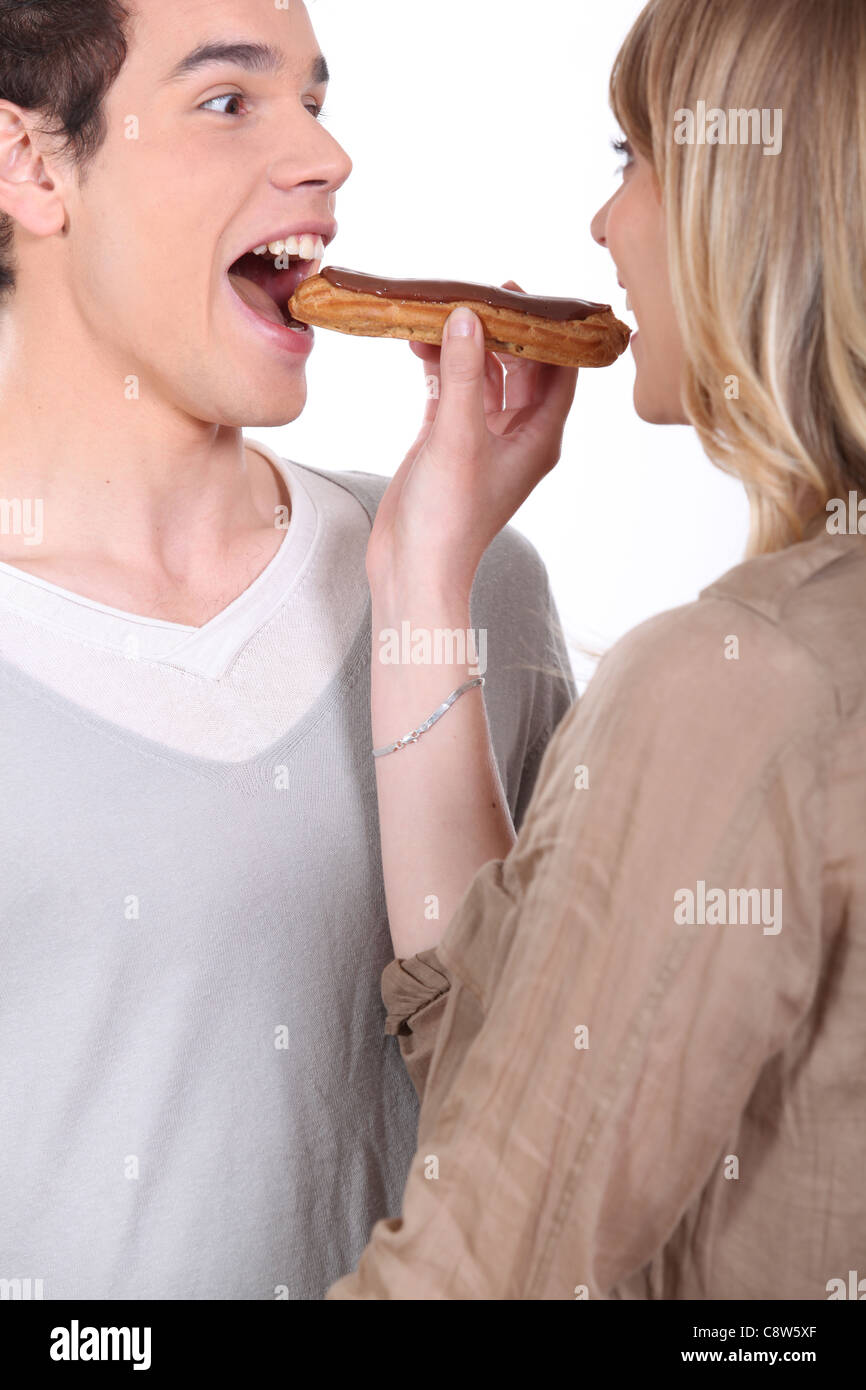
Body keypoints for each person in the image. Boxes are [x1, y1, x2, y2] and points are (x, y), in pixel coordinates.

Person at [0, 0, 576, 1299]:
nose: (327, 155)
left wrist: (430, 573)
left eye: (314, 97)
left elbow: (562, 1126)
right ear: (34, 166)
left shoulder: (475, 584)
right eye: (227, 100)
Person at [329, 0, 866, 1299]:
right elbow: (527, 1066)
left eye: (632, 158)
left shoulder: (741, 685)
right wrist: (422, 572)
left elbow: (475, 1272)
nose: (601, 226)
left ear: (763, 194)